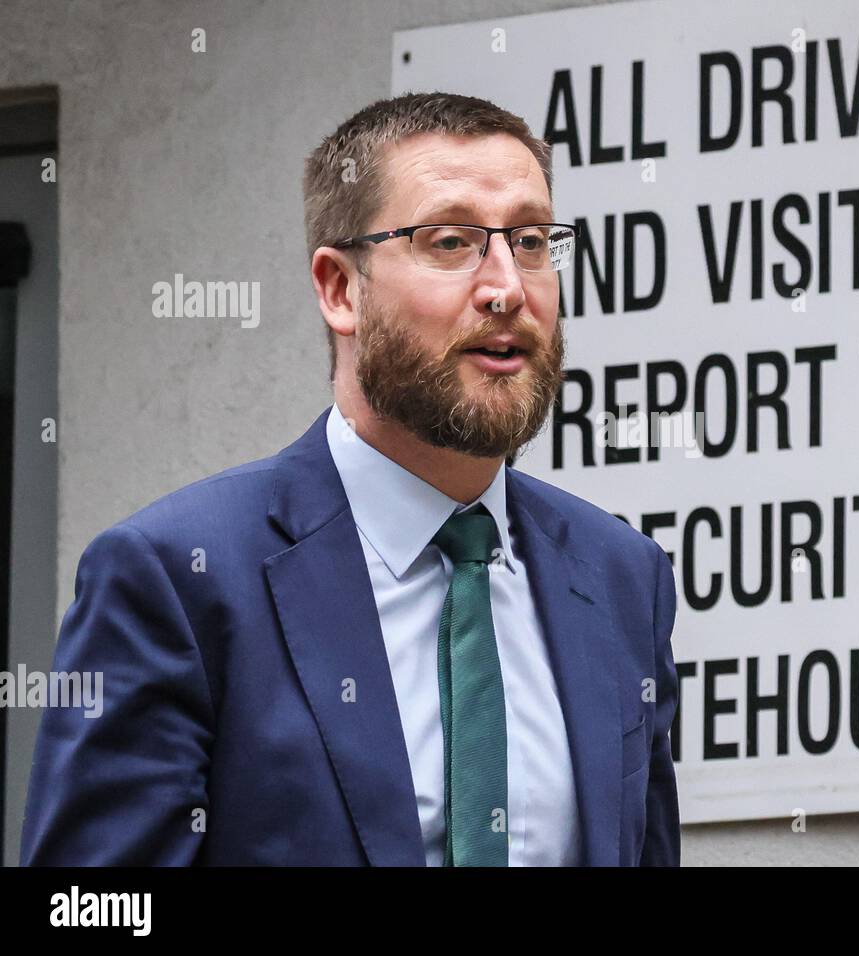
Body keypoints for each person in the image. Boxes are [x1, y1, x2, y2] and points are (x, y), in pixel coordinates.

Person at [20, 91, 681, 866]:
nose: (507, 286)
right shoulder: (177, 580)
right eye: (452, 241)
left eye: (532, 240)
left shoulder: (621, 579)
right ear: (340, 289)